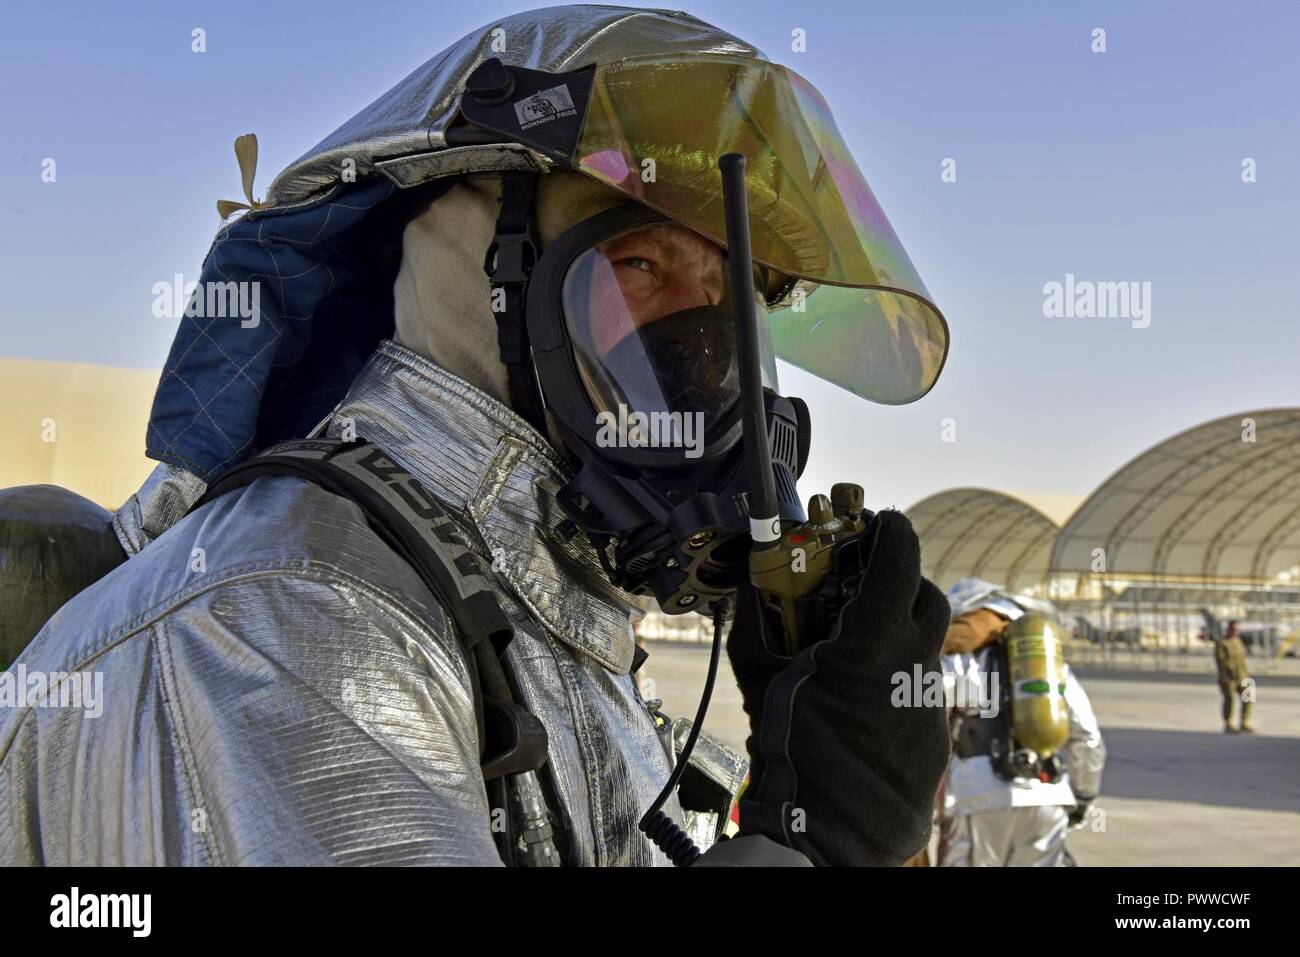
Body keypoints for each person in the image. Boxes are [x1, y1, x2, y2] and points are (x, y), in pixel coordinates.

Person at [0, 5, 953, 866]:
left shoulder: (536, 605)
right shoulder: (294, 611)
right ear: (490, 285)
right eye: (642, 267)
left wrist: (819, 797)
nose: (703, 347)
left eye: (729, 296)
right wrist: (829, 851)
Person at [937, 578, 1105, 867]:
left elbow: (917, 715)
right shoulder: (1050, 667)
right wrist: (1083, 796)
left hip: (978, 795)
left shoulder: (963, 662)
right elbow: (1087, 736)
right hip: (1048, 795)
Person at [1216, 621, 1255, 734]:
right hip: (1229, 678)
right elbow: (1221, 662)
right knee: (1230, 700)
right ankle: (1228, 723)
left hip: (1242, 676)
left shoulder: (1238, 641)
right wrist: (1224, 678)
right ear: (1228, 629)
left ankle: (1244, 722)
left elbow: (1242, 660)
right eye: (1233, 629)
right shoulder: (1222, 643)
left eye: (1237, 629)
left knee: (1248, 698)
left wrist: (1248, 676)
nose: (1235, 631)